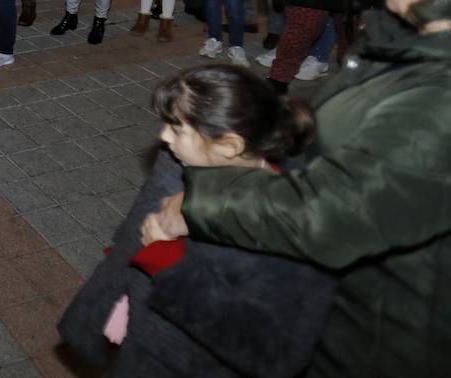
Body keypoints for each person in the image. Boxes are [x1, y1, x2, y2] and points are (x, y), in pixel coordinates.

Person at [141, 0, 451, 375]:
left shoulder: (439, 98)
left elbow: (338, 211)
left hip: (373, 338)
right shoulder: (407, 45)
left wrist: (201, 203)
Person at [60, 64, 333, 376]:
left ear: (230, 145)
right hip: (136, 329)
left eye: (176, 130)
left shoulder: (295, 230)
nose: (163, 136)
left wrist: (166, 260)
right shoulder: (177, 161)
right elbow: (131, 237)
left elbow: (274, 354)